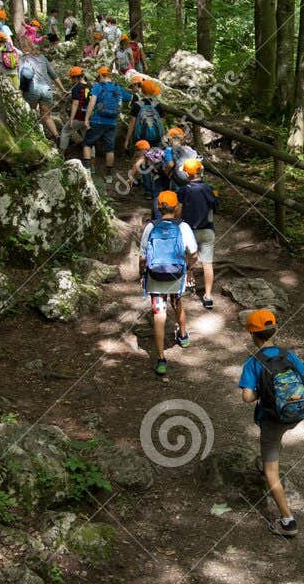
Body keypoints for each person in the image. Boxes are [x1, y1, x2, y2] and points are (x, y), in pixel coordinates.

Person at [236, 309, 304, 538]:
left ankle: (288, 522)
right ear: (275, 330)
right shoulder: (289, 355)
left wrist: (264, 391)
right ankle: (270, 454)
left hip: (272, 420)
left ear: (252, 334)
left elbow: (247, 397)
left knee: (272, 470)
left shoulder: (252, 362)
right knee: (276, 438)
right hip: (297, 414)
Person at [139, 190, 198, 377]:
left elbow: (142, 257)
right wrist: (189, 268)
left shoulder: (150, 227)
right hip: (176, 275)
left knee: (159, 312)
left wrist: (142, 274)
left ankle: (161, 358)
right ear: (176, 207)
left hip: (155, 276)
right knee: (177, 302)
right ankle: (183, 335)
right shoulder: (183, 227)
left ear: (158, 206)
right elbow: (194, 253)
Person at [178, 159, 219, 308]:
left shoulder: (183, 190)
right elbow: (215, 206)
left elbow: (179, 209)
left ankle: (185, 283)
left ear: (187, 174)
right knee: (207, 263)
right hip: (207, 230)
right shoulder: (208, 188)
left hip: (189, 231)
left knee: (187, 257)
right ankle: (208, 296)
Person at [83, 66, 128, 179]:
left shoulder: (98, 86)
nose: (98, 79)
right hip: (112, 123)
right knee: (109, 149)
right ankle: (108, 176)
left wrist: (86, 118)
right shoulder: (118, 88)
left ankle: (87, 171)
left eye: (99, 77)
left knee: (87, 144)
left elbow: (92, 103)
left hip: (97, 120)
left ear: (102, 76)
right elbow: (130, 97)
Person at [18, 44, 60, 143]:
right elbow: (54, 75)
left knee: (30, 112)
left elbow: (21, 74)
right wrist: (62, 89)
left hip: (32, 90)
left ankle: (33, 137)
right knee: (47, 117)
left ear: (26, 48)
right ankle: (57, 136)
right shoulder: (43, 58)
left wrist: (19, 89)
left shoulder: (23, 58)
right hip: (47, 90)